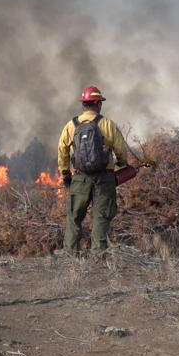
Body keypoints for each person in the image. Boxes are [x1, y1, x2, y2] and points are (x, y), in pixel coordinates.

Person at [57, 86, 129, 256]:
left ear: (84, 104)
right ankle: (98, 255)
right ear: (97, 103)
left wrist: (65, 172)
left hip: (80, 179)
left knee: (74, 217)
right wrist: (121, 162)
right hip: (104, 179)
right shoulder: (107, 124)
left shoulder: (71, 125)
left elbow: (62, 150)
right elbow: (121, 149)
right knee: (101, 216)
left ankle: (70, 254)